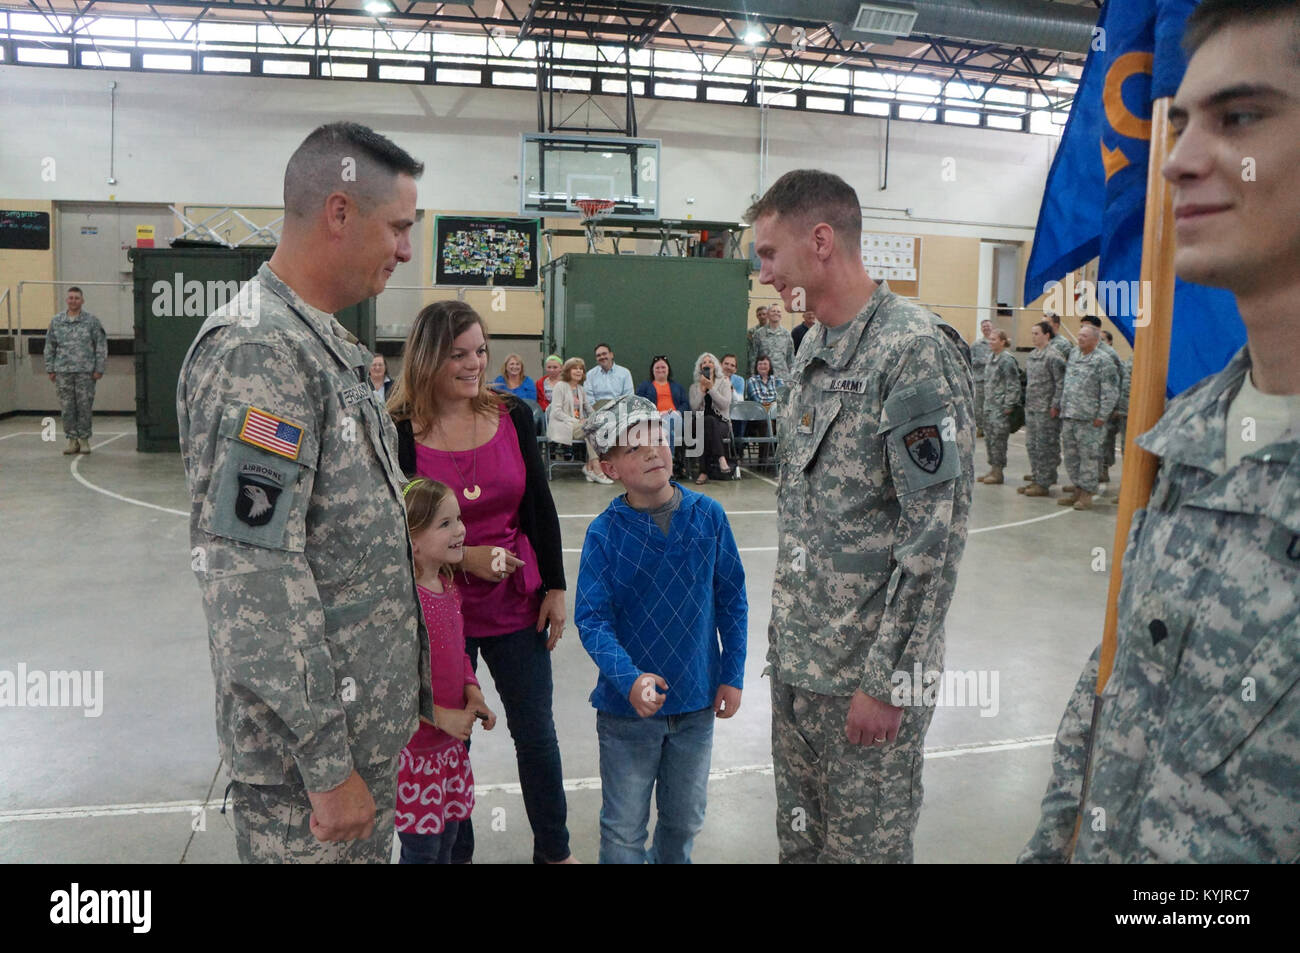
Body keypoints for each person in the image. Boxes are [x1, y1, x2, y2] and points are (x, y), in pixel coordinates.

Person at [1022, 0, 1300, 862]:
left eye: (1239, 117)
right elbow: (1115, 703)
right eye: (1176, 121)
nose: (1174, 162)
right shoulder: (1188, 438)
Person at [177, 121, 430, 863]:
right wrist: (326, 766)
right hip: (307, 777)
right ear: (340, 213)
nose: (406, 250)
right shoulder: (261, 353)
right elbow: (252, 579)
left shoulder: (320, 346)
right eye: (399, 228)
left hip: (357, 744)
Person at [749, 169, 974, 864]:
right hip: (799, 668)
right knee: (801, 847)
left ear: (820, 240)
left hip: (864, 682)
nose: (762, 274)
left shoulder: (913, 349)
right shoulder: (811, 346)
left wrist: (888, 681)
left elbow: (935, 534)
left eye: (767, 254)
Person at [390, 300, 576, 864]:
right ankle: (455, 855)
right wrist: (464, 557)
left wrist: (555, 586)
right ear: (427, 359)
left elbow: (539, 506)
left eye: (480, 352)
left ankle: (555, 851)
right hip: (438, 612)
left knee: (536, 735)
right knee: (452, 740)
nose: (475, 365)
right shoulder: (398, 430)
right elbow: (393, 529)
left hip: (515, 606)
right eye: (458, 355)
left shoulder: (514, 415)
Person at [574, 395, 747, 863]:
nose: (652, 450)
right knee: (624, 830)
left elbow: (731, 598)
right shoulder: (604, 534)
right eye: (634, 447)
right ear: (609, 468)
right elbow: (591, 619)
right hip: (626, 716)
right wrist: (629, 680)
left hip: (695, 706)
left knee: (684, 819)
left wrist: (732, 673)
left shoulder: (709, 516)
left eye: (657, 437)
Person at [395, 477, 498, 864]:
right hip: (417, 755)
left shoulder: (448, 588)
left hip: (448, 754)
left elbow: (459, 657)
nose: (460, 531)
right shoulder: (406, 603)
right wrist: (439, 717)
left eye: (458, 519)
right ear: (412, 540)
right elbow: (393, 685)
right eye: (444, 524)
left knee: (449, 845)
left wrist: (473, 692)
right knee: (422, 852)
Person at [1056, 323, 1118, 511]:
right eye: (1079, 334)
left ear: (1095, 340)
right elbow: (1068, 384)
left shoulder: (1103, 360)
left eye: (1084, 336)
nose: (1079, 338)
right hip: (1070, 415)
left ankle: (1087, 494)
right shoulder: (1074, 354)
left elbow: (1110, 391)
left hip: (1090, 419)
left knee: (1089, 457)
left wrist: (1102, 415)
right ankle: (1076, 488)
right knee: (1071, 456)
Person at [44, 286, 107, 455]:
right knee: (67, 407)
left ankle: (84, 440)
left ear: (82, 300)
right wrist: (50, 368)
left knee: (85, 406)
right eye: (70, 298)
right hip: (63, 372)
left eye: (76, 298)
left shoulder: (92, 321)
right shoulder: (57, 321)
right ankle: (72, 440)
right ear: (67, 300)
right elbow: (49, 346)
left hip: (85, 372)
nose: (73, 301)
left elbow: (100, 345)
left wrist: (99, 368)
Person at [1019, 321, 1066, 497]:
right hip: (1032, 407)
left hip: (1047, 410)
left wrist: (1055, 405)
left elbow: (1061, 383)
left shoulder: (1054, 356)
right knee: (1032, 445)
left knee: (1045, 446)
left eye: (1037, 333)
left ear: (1047, 335)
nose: (1033, 336)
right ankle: (1037, 477)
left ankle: (1044, 483)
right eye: (1032, 333)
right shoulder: (1032, 356)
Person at [549, 356, 612, 484]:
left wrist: (599, 419)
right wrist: (576, 421)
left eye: (581, 369)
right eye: (574, 369)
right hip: (563, 426)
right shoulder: (560, 386)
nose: (578, 371)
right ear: (567, 371)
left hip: (580, 427)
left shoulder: (580, 389)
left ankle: (590, 467)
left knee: (595, 428)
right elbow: (556, 412)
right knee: (590, 428)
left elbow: (589, 409)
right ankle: (596, 467)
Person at [978, 329, 1020, 485]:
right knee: (989, 439)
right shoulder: (991, 357)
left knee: (998, 440)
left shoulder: (1007, 360)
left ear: (1002, 342)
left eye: (994, 339)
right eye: (990, 339)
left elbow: (1013, 384)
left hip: (1001, 407)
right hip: (989, 406)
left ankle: (998, 472)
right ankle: (993, 468)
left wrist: (1009, 405)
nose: (991, 342)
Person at [688, 351, 735, 484]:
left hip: (721, 422)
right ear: (700, 367)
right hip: (698, 421)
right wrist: (702, 392)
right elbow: (694, 408)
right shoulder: (694, 386)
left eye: (710, 361)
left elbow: (725, 404)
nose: (707, 364)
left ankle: (703, 472)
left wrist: (711, 389)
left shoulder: (724, 382)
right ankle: (721, 458)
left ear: (715, 365)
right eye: (704, 362)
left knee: (708, 425)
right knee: (706, 422)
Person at [634, 355, 688, 459]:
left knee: (670, 419)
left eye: (663, 367)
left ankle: (666, 460)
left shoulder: (677, 386)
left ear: (668, 369)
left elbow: (685, 404)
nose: (660, 370)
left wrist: (677, 412)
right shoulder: (645, 386)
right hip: (654, 420)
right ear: (652, 370)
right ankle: (669, 460)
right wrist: (656, 414)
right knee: (666, 429)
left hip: (677, 420)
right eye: (657, 368)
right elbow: (638, 404)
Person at [1095, 326, 1130, 485]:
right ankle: (1102, 469)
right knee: (1102, 440)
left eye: (1103, 340)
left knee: (1122, 445)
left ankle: (1126, 482)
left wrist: (1116, 407)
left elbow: (1120, 382)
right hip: (1102, 407)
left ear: (1109, 342)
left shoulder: (1112, 357)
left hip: (1119, 408)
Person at [744, 355, 783, 466]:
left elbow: (782, 396)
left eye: (765, 364)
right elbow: (758, 400)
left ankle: (782, 460)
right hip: (758, 417)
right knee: (767, 423)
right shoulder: (751, 381)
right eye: (760, 364)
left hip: (776, 416)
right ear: (756, 367)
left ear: (769, 366)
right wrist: (774, 402)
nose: (762, 366)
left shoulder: (777, 381)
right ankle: (763, 461)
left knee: (784, 423)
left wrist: (772, 403)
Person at [749, 306, 795, 378]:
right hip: (764, 376)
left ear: (781, 315)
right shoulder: (759, 334)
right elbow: (753, 357)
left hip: (782, 378)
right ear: (768, 314)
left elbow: (790, 358)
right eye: (773, 311)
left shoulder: (786, 334)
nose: (776, 313)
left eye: (778, 311)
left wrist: (792, 376)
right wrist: (753, 375)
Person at [970, 318, 993, 438]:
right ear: (981, 329)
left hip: (993, 381)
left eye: (988, 326)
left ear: (992, 328)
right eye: (984, 327)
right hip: (980, 380)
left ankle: (990, 428)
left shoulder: (995, 343)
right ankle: (980, 427)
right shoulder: (975, 345)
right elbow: (970, 360)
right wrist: (983, 361)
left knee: (992, 405)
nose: (986, 328)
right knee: (978, 405)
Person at [721, 353, 747, 444]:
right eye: (726, 364)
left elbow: (739, 401)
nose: (729, 367)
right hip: (718, 413)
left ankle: (736, 451)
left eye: (732, 365)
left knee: (740, 417)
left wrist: (731, 388)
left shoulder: (739, 380)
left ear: (735, 370)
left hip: (733, 413)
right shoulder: (713, 379)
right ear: (720, 365)